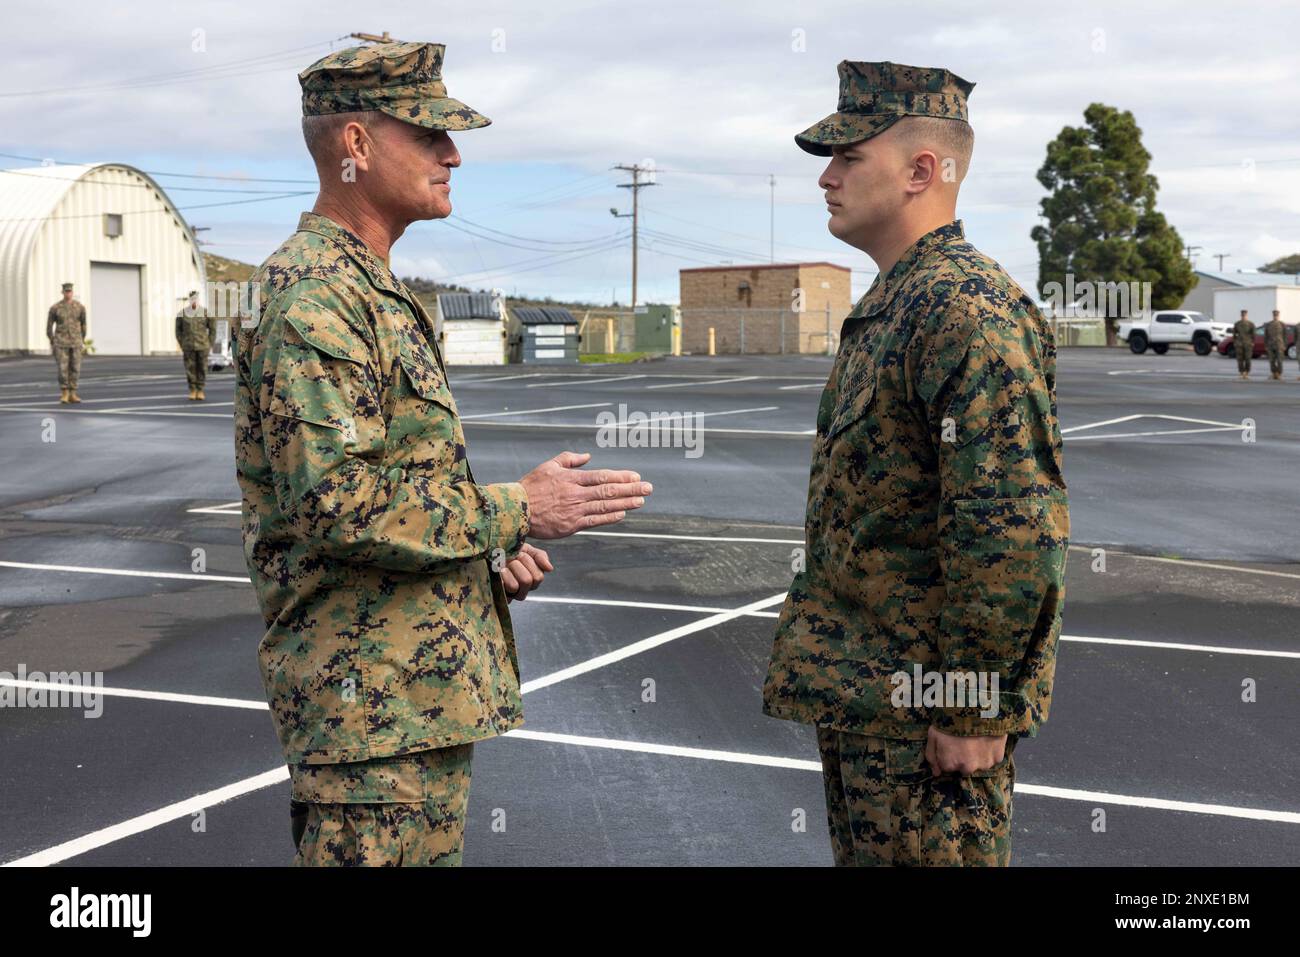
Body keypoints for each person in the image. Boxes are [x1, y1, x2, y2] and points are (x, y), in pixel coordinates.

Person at [233, 40, 652, 866]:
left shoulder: (370, 288)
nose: (452, 153)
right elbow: (336, 502)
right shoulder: (318, 296)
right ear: (356, 145)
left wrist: (481, 561)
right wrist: (515, 508)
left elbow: (387, 493)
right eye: (428, 134)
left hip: (406, 713)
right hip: (367, 729)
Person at [762, 60, 1069, 867]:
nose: (826, 178)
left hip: (925, 722)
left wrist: (973, 707)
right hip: (876, 706)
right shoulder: (901, 301)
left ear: (922, 171)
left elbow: (1011, 528)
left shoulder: (964, 310)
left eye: (847, 157)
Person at [175, 289, 219, 400]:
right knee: (190, 368)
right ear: (189, 300)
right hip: (188, 346)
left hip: (203, 345)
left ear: (198, 300)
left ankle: (200, 390)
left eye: (195, 299)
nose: (193, 301)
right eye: (192, 299)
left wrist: (210, 343)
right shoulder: (182, 314)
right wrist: (182, 343)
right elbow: (178, 331)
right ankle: (193, 390)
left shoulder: (206, 313)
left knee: (202, 368)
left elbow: (213, 329)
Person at [47, 282, 86, 404]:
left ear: (72, 292)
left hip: (76, 342)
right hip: (61, 343)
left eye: (70, 291)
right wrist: (52, 340)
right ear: (62, 292)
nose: (68, 293)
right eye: (66, 291)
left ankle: (73, 393)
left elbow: (84, 324)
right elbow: (49, 326)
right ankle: (64, 393)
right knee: (62, 369)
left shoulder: (80, 307)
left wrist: (82, 339)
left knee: (75, 368)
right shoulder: (55, 308)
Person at [1263, 309, 1286, 381]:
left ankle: (1279, 374)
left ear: (1278, 316)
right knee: (1271, 360)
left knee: (1279, 361)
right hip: (1270, 345)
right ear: (1273, 316)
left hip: (1279, 345)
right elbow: (1266, 336)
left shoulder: (1282, 324)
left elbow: (1285, 336)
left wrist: (1284, 345)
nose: (1275, 317)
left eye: (1277, 315)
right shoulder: (1268, 324)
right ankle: (1274, 373)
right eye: (1274, 315)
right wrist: (1266, 345)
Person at [1234, 309, 1256, 380]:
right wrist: (1235, 342)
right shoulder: (1237, 324)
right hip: (1239, 344)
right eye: (1242, 315)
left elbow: (1254, 335)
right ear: (1241, 316)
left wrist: (1252, 343)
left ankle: (1246, 372)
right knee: (1240, 359)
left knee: (1247, 359)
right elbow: (1234, 334)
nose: (1243, 317)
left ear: (1247, 315)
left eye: (1245, 315)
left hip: (1248, 344)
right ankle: (1241, 372)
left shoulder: (1251, 324)